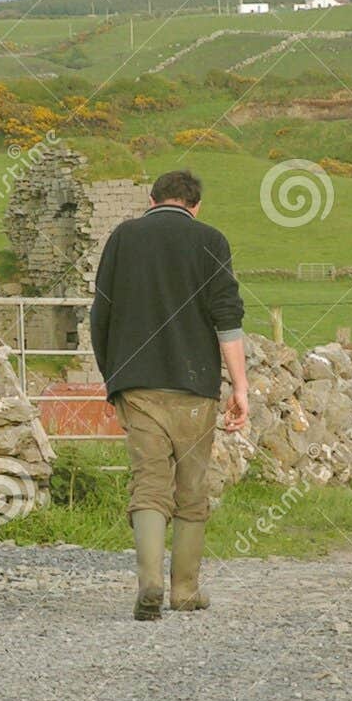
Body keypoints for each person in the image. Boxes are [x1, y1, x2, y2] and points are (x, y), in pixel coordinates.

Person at [89, 169, 248, 620]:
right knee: (191, 487)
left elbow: (100, 312)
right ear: (195, 206)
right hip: (195, 386)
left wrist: (112, 376)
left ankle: (149, 583)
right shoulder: (211, 241)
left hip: (137, 382)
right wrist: (241, 387)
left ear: (151, 199)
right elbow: (227, 319)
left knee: (149, 484)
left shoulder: (123, 238)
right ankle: (184, 590)